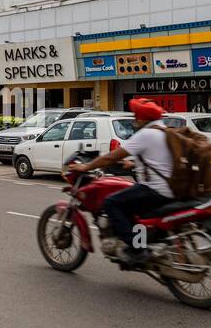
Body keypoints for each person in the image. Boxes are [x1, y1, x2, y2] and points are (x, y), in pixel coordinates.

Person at [67, 98, 174, 264]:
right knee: (128, 201)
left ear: (143, 119)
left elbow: (112, 156)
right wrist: (133, 164)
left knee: (111, 203)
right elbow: (159, 160)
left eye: (136, 116)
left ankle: (136, 249)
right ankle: (140, 239)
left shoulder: (146, 134)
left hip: (154, 190)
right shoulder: (164, 131)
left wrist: (86, 166)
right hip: (169, 188)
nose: (134, 120)